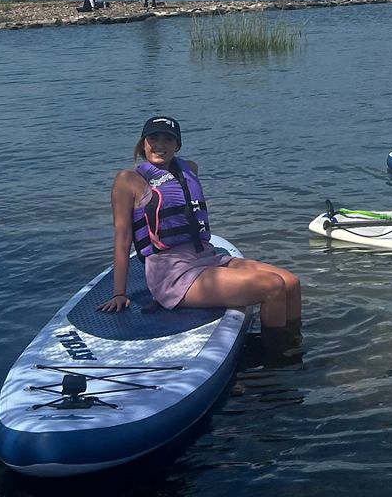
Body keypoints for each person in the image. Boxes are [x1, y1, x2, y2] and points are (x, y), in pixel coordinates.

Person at [99, 116, 302, 362]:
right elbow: (122, 238)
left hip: (205, 257)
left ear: (178, 146)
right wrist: (118, 293)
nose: (159, 144)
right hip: (172, 273)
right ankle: (276, 365)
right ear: (143, 144)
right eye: (153, 138)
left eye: (168, 139)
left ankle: (292, 350)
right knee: (272, 287)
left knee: (291, 282)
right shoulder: (127, 181)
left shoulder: (189, 169)